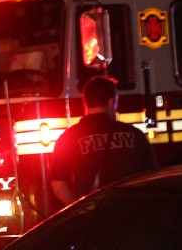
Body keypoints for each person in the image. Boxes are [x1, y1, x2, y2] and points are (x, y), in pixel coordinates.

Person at [48, 75, 156, 208]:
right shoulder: (135, 135)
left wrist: (79, 209)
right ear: (111, 102)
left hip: (94, 216)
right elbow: (152, 178)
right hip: (131, 213)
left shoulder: (68, 138)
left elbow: (58, 186)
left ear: (86, 102)